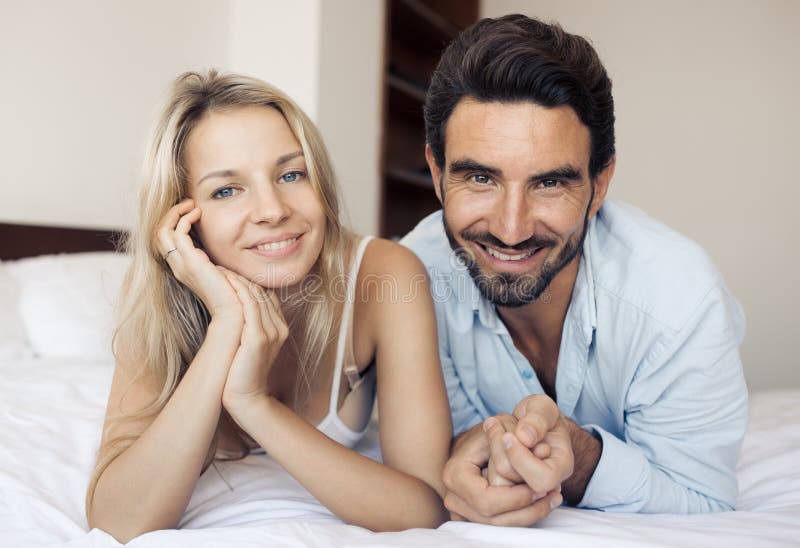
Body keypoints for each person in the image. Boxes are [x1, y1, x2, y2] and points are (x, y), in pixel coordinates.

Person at [401, 13, 748, 526]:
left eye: (549, 184)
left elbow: (705, 501)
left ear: (599, 184)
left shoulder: (679, 298)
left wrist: (580, 457)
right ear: (436, 172)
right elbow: (431, 447)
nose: (511, 229)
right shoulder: (413, 276)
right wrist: (470, 447)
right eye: (480, 177)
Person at [86, 70, 451, 542]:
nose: (273, 209)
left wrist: (254, 404)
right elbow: (118, 523)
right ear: (183, 219)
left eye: (291, 174)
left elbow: (423, 511)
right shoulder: (158, 291)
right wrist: (226, 325)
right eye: (226, 190)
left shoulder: (385, 275)